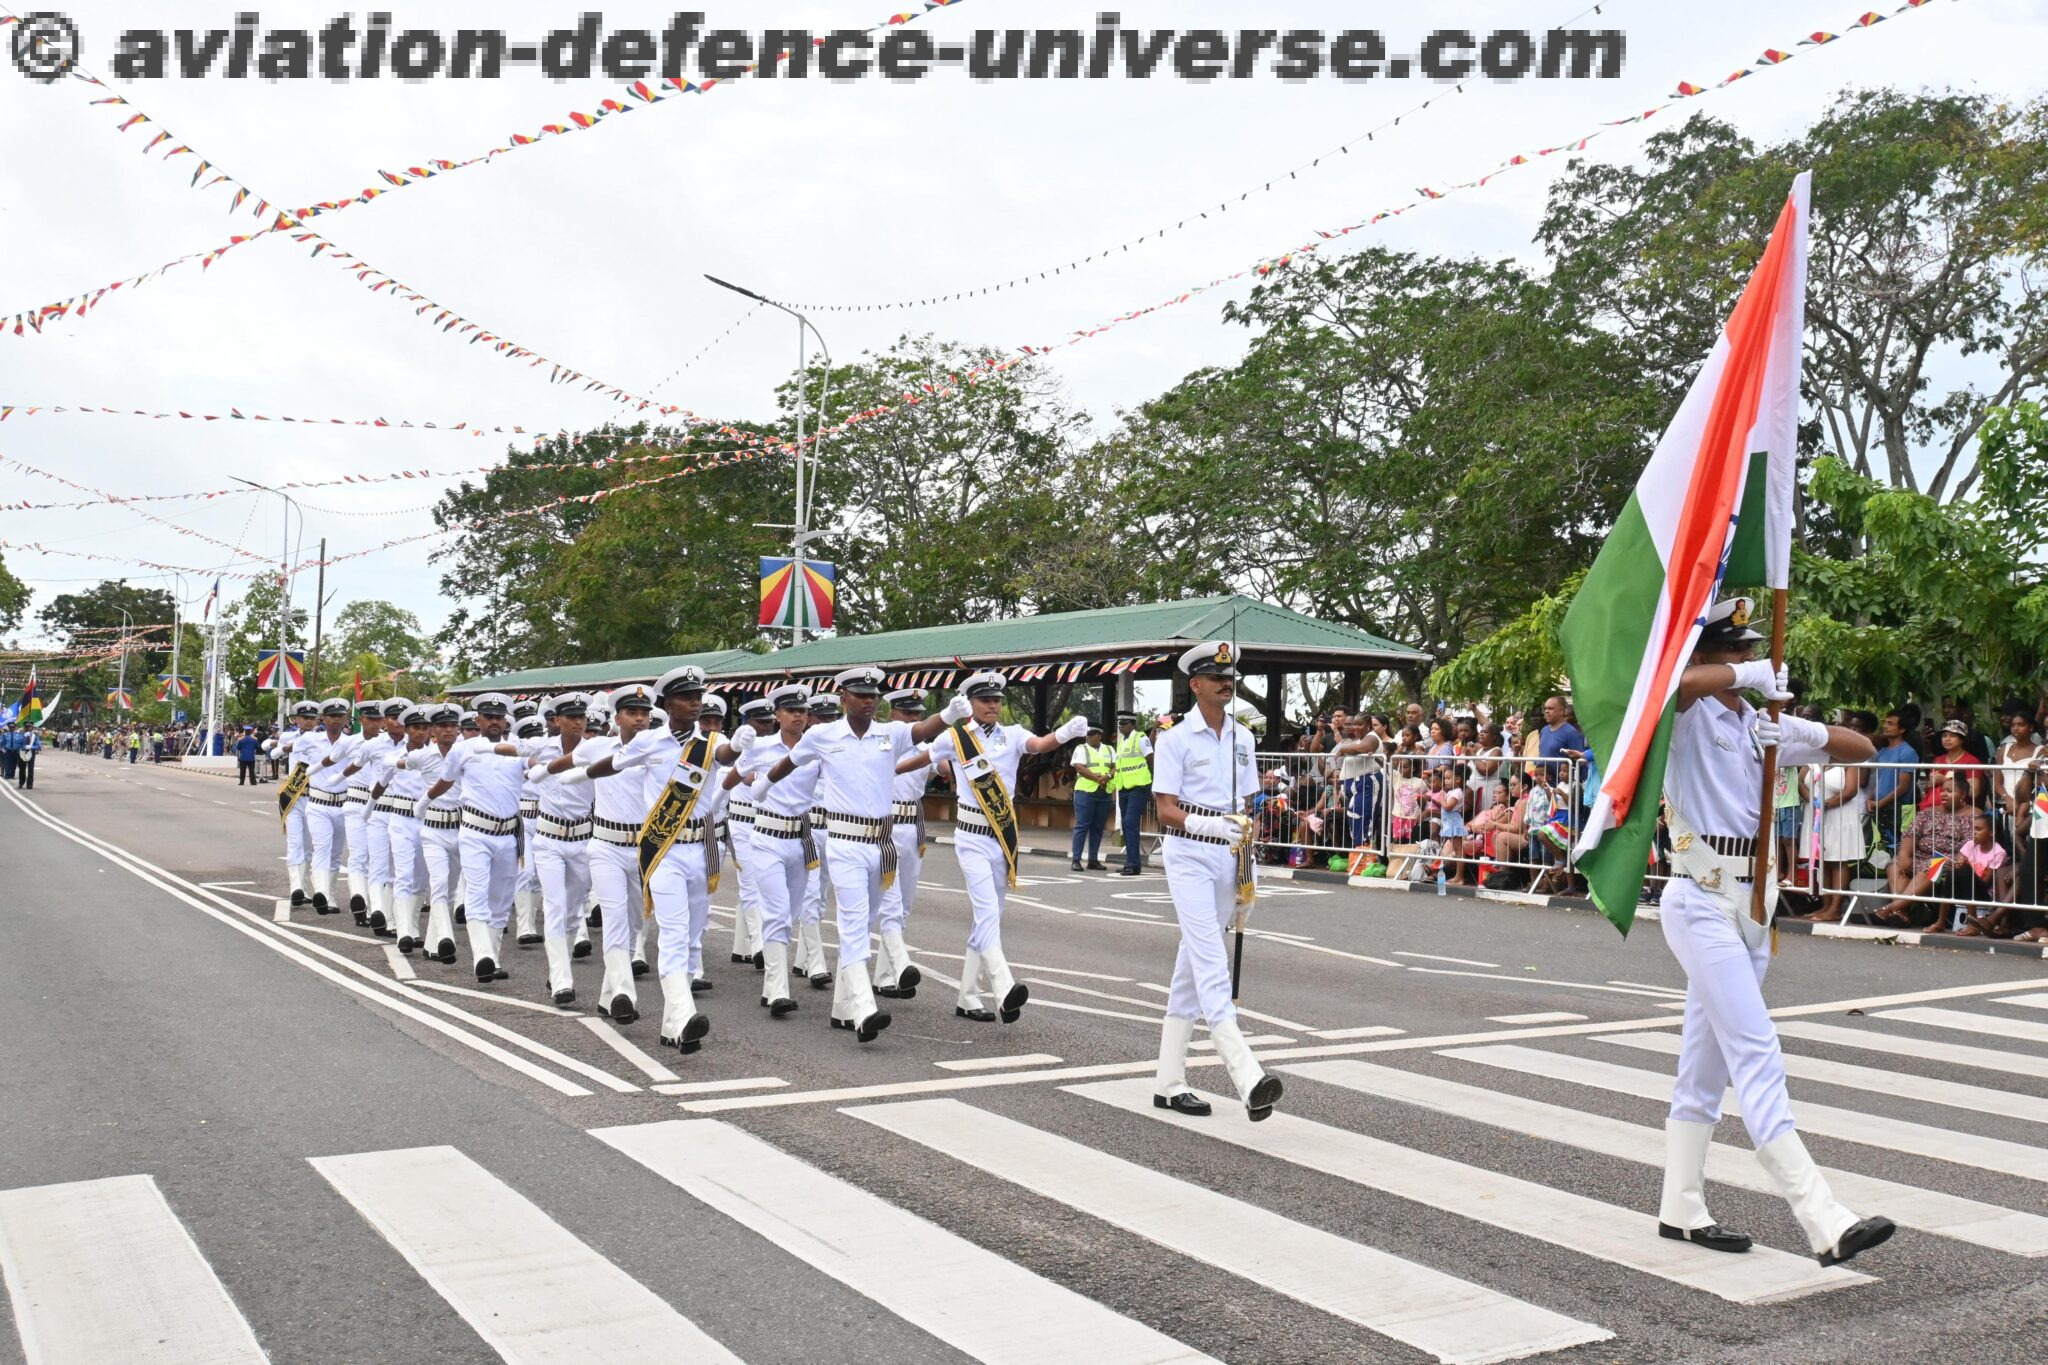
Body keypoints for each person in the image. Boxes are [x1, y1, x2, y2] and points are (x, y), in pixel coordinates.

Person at [1652, 595, 1892, 1269]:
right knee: (1757, 1050)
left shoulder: (1760, 724)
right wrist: (1742, 678)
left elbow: (1864, 748)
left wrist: (1798, 731)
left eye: (1752, 650)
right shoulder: (1688, 716)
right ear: (1706, 655)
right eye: (1734, 650)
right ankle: (1823, 1216)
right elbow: (1672, 687)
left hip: (1754, 903)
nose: (1749, 657)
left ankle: (1681, 1206)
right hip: (1700, 895)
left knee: (1703, 1067)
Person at [769, 666, 957, 1041]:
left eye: (873, 695)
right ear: (844, 698)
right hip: (845, 841)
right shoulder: (822, 735)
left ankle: (842, 1008)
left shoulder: (890, 733)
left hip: (882, 844)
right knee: (854, 925)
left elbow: (923, 730)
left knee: (869, 921)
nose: (869, 700)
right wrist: (764, 786)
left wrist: (950, 714)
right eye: (861, 694)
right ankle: (864, 1008)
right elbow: (790, 762)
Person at [569, 666, 742, 1052]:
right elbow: (614, 763)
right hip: (664, 849)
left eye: (698, 697)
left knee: (693, 934)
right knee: (674, 932)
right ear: (669, 703)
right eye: (686, 698)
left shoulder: (712, 742)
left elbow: (726, 755)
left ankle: (672, 1026)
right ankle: (684, 1013)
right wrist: (581, 775)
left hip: (702, 849)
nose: (695, 704)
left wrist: (740, 745)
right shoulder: (649, 742)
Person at [900, 672, 1089, 1025]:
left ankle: (968, 997)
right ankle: (1003, 988)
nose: (992, 705)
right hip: (970, 837)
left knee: (991, 916)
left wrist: (1065, 733)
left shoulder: (1012, 734)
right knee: (986, 911)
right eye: (985, 700)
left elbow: (1039, 745)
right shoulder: (956, 737)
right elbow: (922, 759)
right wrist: (884, 772)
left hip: (1002, 838)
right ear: (970, 703)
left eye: (997, 700)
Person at [1148, 640, 1283, 1123]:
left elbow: (1247, 808)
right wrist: (1207, 824)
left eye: (1230, 676)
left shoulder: (1243, 737)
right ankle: (1247, 1076)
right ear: (1196, 684)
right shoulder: (1174, 738)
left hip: (1230, 854)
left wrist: (1248, 870)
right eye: (1216, 676)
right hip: (1188, 852)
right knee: (1210, 961)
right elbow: (1165, 808)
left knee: (1191, 968)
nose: (1227, 683)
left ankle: (1168, 1083)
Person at [428, 692, 526, 983]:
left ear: (505, 721)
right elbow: (445, 782)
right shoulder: (464, 749)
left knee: (501, 898)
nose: (495, 722)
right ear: (478, 720)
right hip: (474, 832)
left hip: (508, 834)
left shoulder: (517, 748)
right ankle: (482, 954)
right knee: (477, 892)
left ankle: (492, 958)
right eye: (489, 717)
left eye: (499, 717)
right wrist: (425, 801)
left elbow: (537, 768)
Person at [517, 693, 596, 1006]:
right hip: (548, 839)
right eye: (571, 717)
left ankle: (559, 965)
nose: (578, 722)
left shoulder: (594, 749)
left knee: (574, 911)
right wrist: (529, 764)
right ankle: (562, 980)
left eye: (582, 717)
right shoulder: (541, 746)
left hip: (582, 839)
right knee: (555, 906)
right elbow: (512, 749)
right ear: (557, 720)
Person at [876, 689, 941, 998]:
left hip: (913, 827)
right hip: (885, 826)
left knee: (904, 905)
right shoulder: (882, 743)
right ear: (893, 715)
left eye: (917, 714)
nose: (914, 719)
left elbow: (943, 769)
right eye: (908, 713)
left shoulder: (926, 747)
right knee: (887, 902)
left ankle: (887, 975)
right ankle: (888, 973)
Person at [373, 704, 434, 956]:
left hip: (427, 820)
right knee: (403, 873)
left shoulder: (437, 756)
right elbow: (380, 785)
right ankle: (404, 931)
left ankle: (413, 926)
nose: (420, 732)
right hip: (400, 818)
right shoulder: (394, 756)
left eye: (424, 727)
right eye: (415, 727)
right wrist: (369, 809)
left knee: (421, 878)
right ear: (407, 730)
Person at [300, 699, 355, 914]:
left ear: (345, 719)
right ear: (322, 718)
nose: (336, 720)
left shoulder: (351, 742)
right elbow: (291, 747)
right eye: (331, 716)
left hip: (343, 804)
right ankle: (321, 893)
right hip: (318, 804)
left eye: (340, 716)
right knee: (322, 847)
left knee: (336, 853)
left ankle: (330, 897)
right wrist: (274, 747)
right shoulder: (311, 739)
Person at [339, 700, 385, 924]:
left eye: (379, 719)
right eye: (371, 719)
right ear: (361, 720)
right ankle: (359, 899)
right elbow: (331, 763)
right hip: (356, 802)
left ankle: (376, 908)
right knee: (358, 855)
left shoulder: (389, 743)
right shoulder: (348, 742)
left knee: (378, 859)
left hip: (381, 805)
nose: (376, 724)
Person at [1110, 710, 1155, 876]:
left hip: (1139, 785)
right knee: (1126, 825)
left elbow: (1151, 759)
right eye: (1120, 724)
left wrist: (1155, 783)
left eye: (1125, 723)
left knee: (1130, 822)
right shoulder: (1121, 741)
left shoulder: (1141, 738)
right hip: (1124, 787)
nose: (1122, 727)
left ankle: (1133, 864)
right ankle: (1131, 863)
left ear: (1133, 724)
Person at [1068, 721, 1114, 871]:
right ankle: (1076, 860)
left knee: (1098, 827)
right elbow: (1079, 768)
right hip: (1085, 792)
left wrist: (1107, 776)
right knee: (1082, 825)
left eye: (1091, 734)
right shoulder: (1081, 748)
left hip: (1104, 792)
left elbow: (1115, 767)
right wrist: (1098, 779)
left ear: (1099, 736)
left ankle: (1093, 860)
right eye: (1087, 734)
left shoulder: (1109, 749)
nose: (1088, 737)